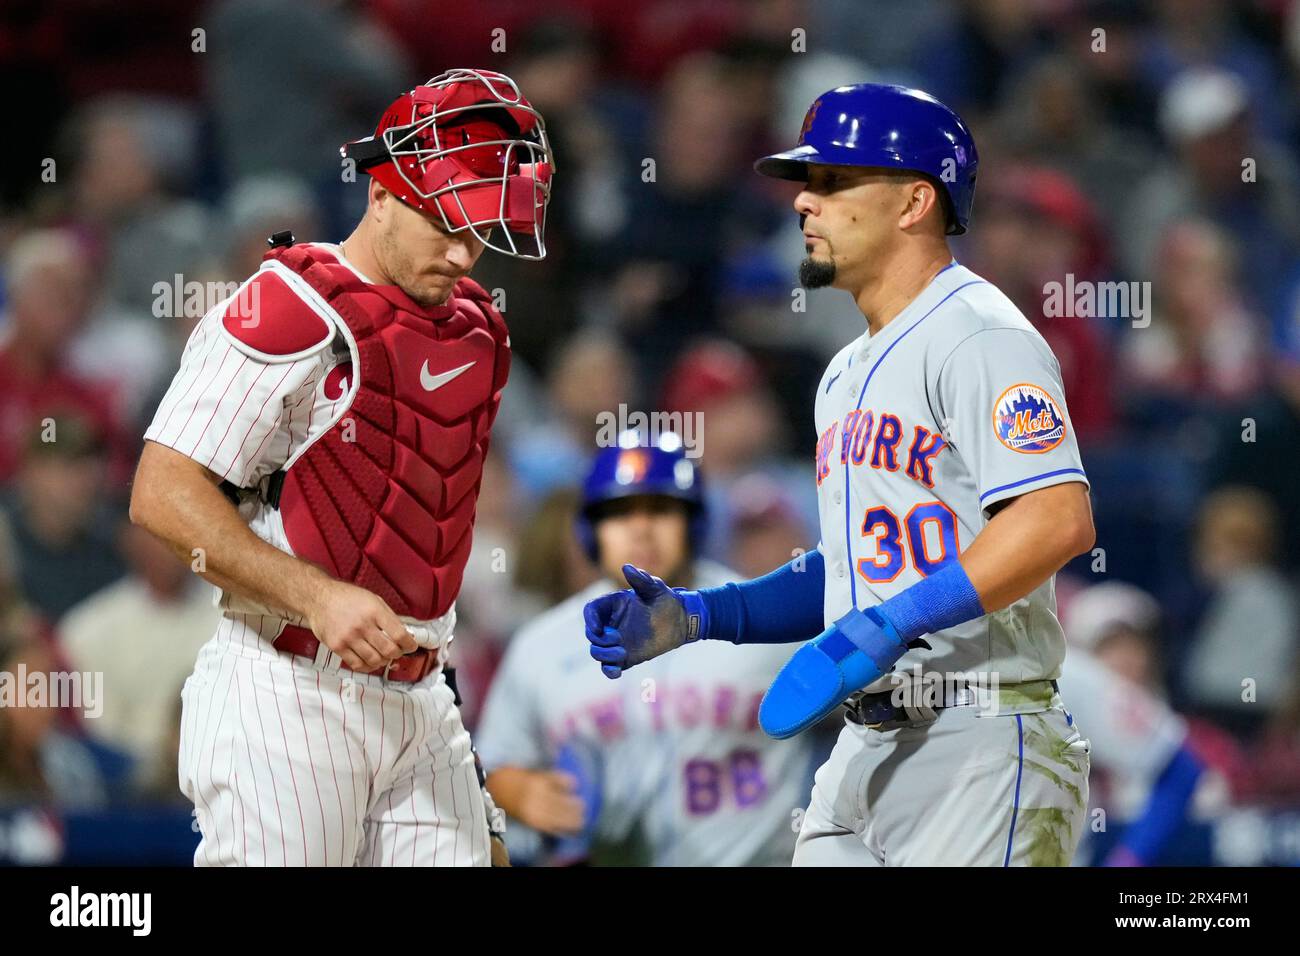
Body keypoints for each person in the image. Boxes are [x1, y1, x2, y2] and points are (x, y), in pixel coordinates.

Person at [584, 84, 1096, 866]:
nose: (803, 203)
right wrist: (702, 615)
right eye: (804, 183)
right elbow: (855, 567)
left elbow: (1054, 520)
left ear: (915, 202)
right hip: (862, 747)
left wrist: (896, 621)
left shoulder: (979, 335)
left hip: (981, 736)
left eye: (832, 181)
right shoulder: (843, 372)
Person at [127, 69, 554, 867]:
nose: (464, 252)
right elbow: (160, 492)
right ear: (384, 192)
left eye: (480, 230)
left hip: (423, 694)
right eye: (445, 224)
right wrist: (315, 595)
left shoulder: (477, 332)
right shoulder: (288, 305)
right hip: (287, 692)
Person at [478, 436, 815, 866]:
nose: (640, 528)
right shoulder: (540, 645)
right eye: (619, 513)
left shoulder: (761, 617)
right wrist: (521, 792)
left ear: (693, 524)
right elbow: (489, 767)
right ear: (589, 531)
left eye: (659, 510)